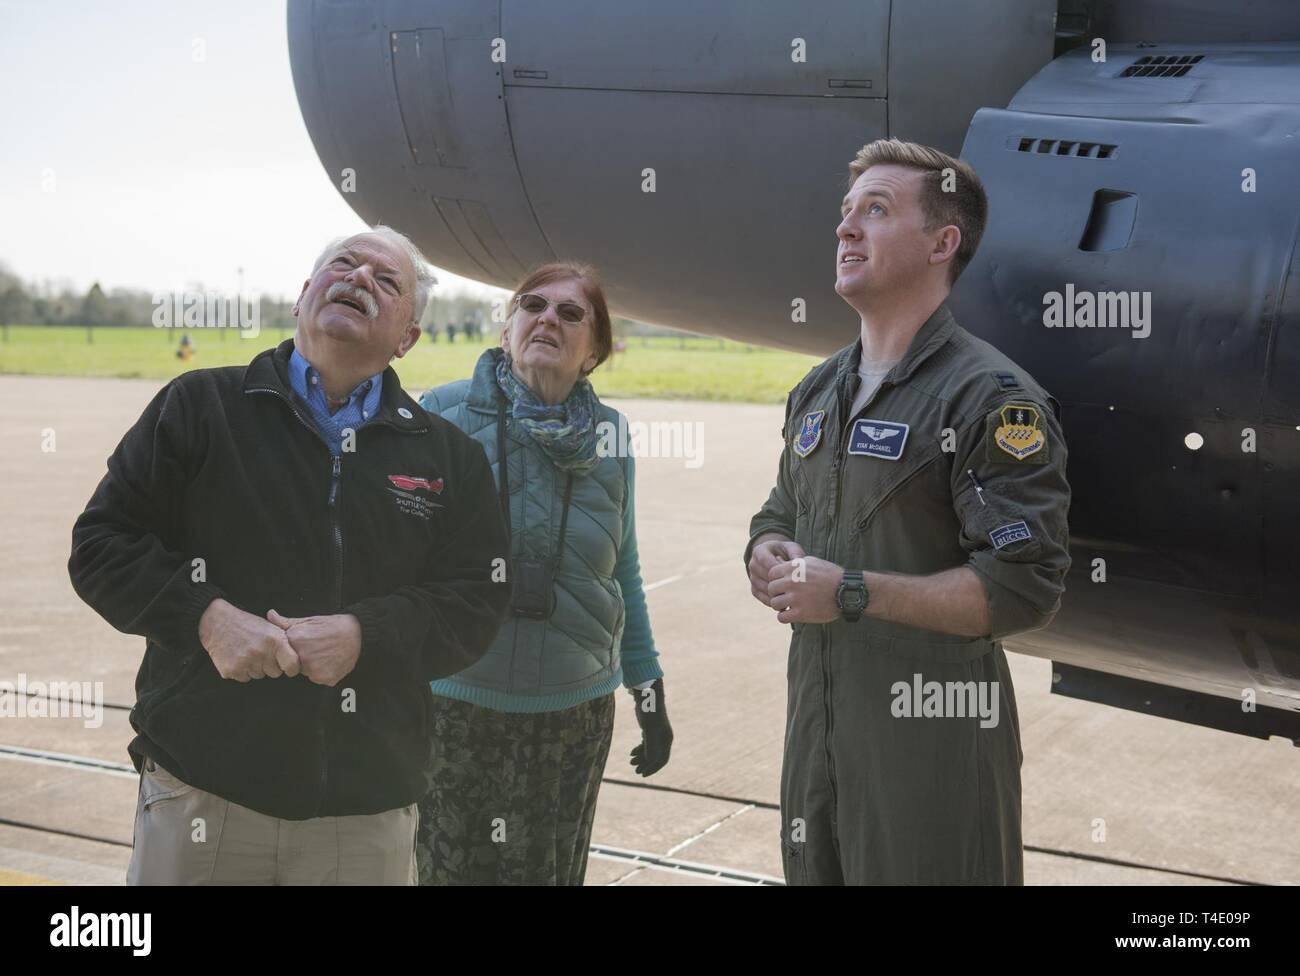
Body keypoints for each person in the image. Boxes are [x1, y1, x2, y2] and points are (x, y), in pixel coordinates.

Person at [68, 225, 511, 885]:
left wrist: (366, 636)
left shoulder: (449, 458)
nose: (359, 279)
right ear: (304, 295)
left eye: (386, 282)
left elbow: (477, 598)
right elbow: (101, 545)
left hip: (367, 808)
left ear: (408, 338)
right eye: (344, 264)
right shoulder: (201, 407)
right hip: (204, 790)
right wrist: (206, 617)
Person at [745, 139, 1071, 885]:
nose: (845, 229)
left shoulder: (991, 399)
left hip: (932, 757)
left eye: (877, 210)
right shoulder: (819, 390)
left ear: (942, 243)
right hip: (818, 741)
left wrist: (850, 592)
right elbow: (779, 510)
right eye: (846, 212)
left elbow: (1021, 589)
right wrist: (765, 549)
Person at [417, 261, 671, 885]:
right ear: (507, 330)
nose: (548, 318)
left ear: (595, 351)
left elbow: (623, 570)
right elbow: (400, 564)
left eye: (570, 312)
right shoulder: (442, 416)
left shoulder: (611, 435)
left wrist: (648, 688)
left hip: (571, 714)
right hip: (457, 706)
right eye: (532, 305)